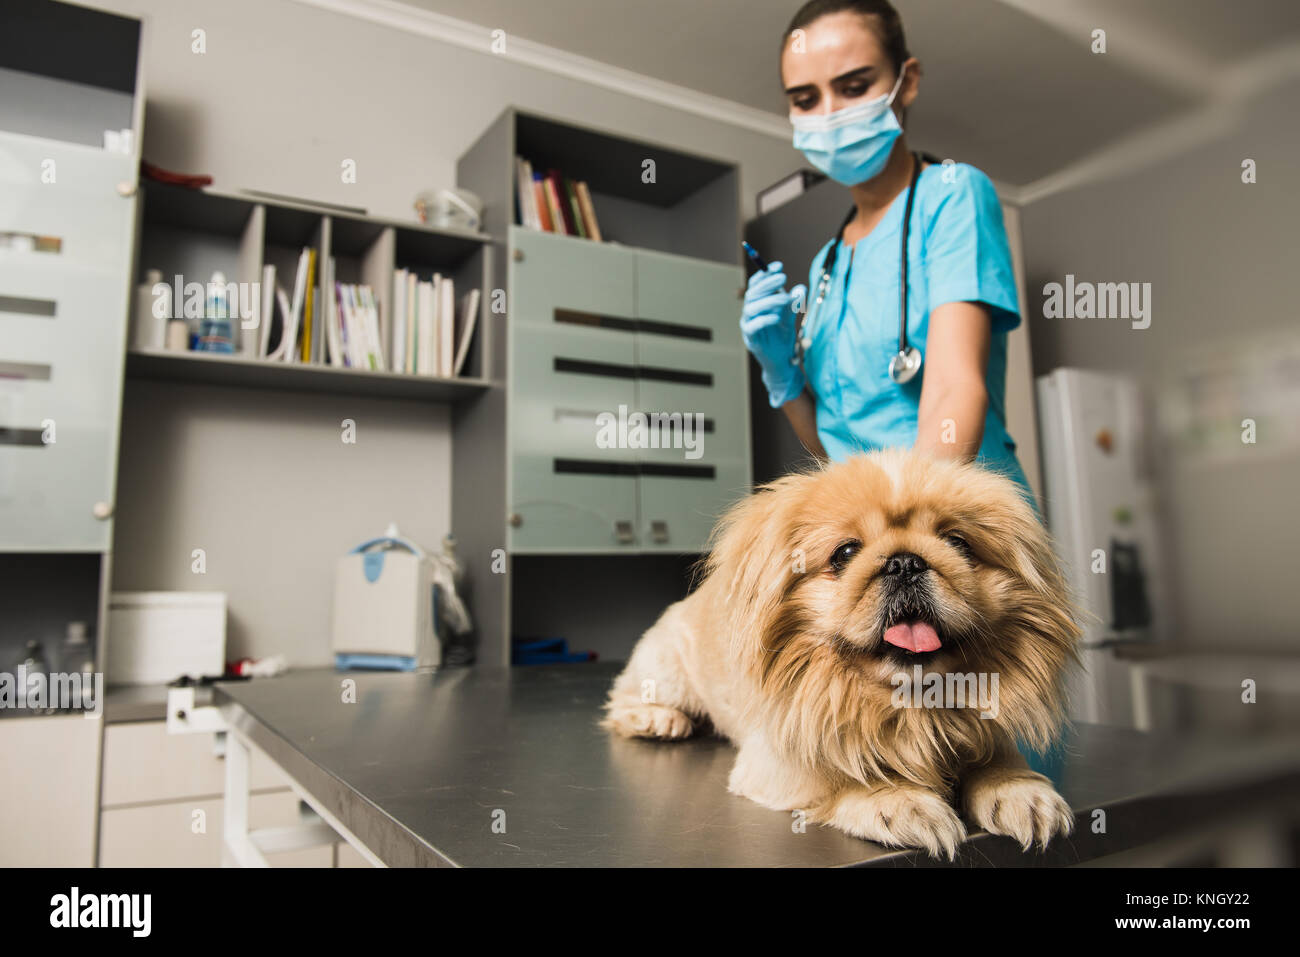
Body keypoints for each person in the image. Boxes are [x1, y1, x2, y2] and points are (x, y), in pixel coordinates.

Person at [743, 0, 1034, 508]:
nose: (830, 115)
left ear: (909, 80)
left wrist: (904, 532)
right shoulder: (826, 264)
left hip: (958, 525)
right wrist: (783, 380)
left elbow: (951, 393)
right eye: (806, 98)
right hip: (878, 533)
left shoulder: (952, 195)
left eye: (854, 87)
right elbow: (836, 452)